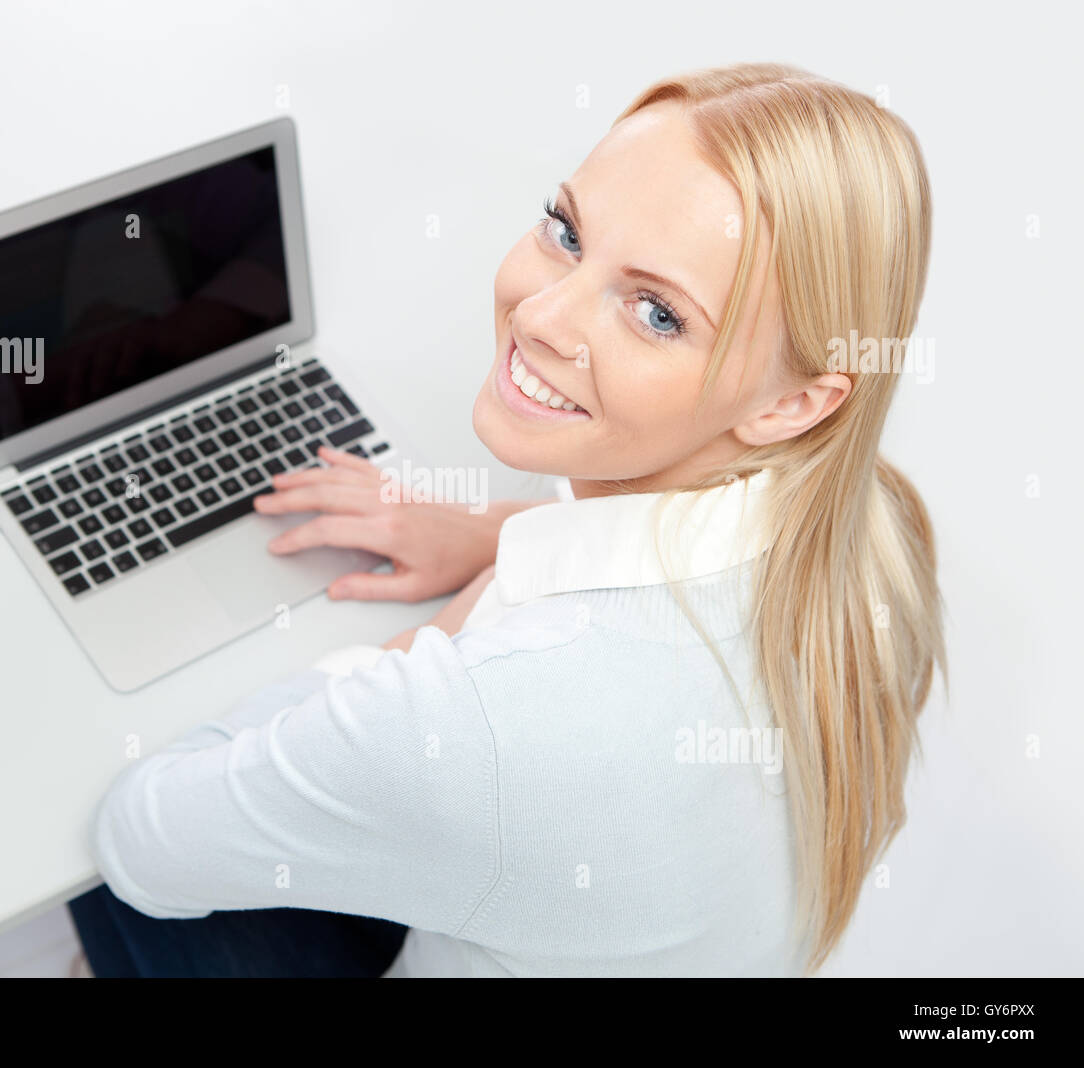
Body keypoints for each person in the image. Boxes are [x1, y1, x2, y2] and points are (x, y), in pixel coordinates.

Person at [68, 61, 947, 978]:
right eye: (567, 231)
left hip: (461, 815)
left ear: (791, 403)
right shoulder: (872, 524)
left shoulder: (481, 727)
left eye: (656, 313)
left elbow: (144, 837)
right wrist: (496, 535)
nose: (538, 314)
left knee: (96, 871)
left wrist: (405, 659)